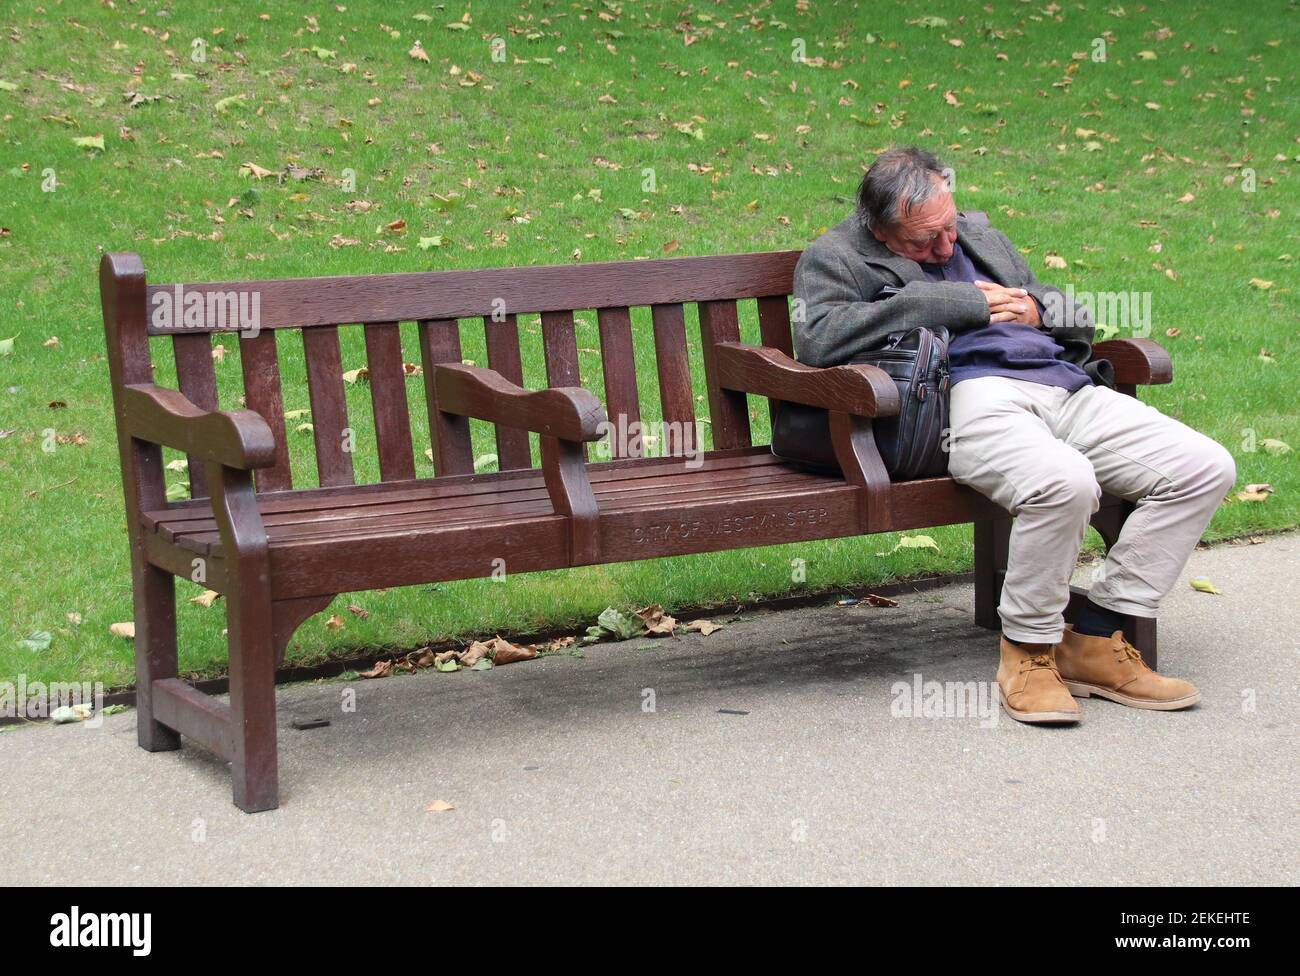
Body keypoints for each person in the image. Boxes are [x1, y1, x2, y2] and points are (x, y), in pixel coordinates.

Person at [792, 146, 1237, 725]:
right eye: (922, 242)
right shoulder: (835, 257)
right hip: (969, 398)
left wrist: (1035, 307)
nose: (945, 248)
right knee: (1065, 482)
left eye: (948, 228)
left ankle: (1097, 636)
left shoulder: (977, 235)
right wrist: (961, 303)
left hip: (1063, 384)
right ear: (879, 229)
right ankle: (1028, 651)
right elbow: (818, 340)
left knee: (1205, 467)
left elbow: (1071, 312)